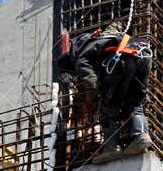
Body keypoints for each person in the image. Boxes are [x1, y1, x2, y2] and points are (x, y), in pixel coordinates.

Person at [54, 22, 153, 160]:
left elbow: (90, 82)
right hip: (143, 56)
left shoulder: (79, 56)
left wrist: (91, 100)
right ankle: (141, 136)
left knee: (108, 109)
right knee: (135, 103)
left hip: (121, 59)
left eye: (69, 76)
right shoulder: (98, 41)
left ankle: (111, 148)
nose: (73, 79)